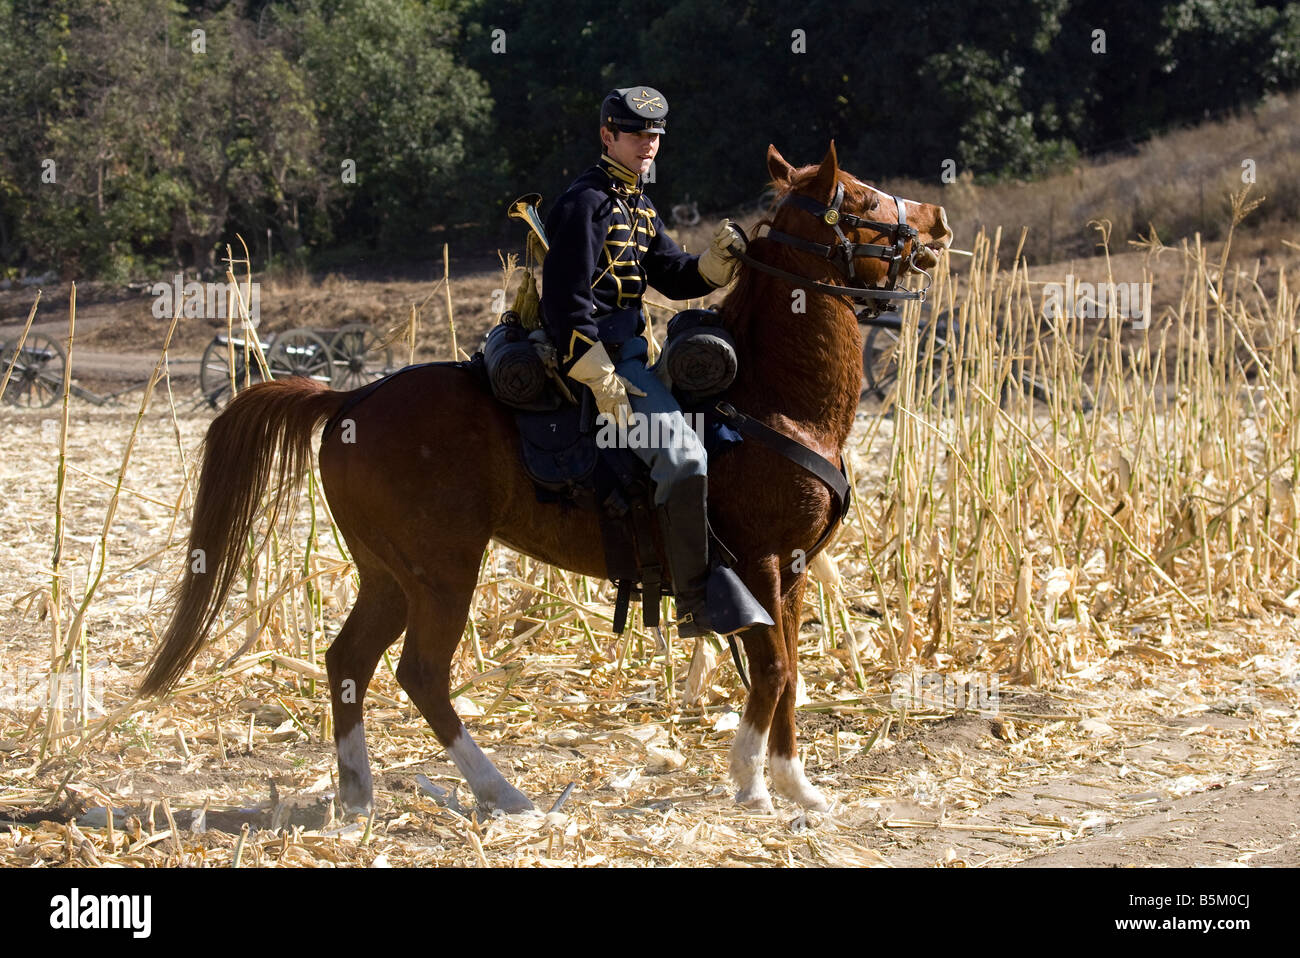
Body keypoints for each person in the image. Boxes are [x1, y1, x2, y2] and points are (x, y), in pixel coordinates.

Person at [540, 85, 768, 637]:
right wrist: (600, 377)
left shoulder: (638, 203)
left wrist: (715, 265)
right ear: (607, 136)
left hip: (641, 350)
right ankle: (694, 599)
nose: (649, 145)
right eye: (638, 134)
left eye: (656, 136)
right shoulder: (584, 203)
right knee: (685, 458)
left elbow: (672, 274)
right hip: (604, 360)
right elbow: (562, 305)